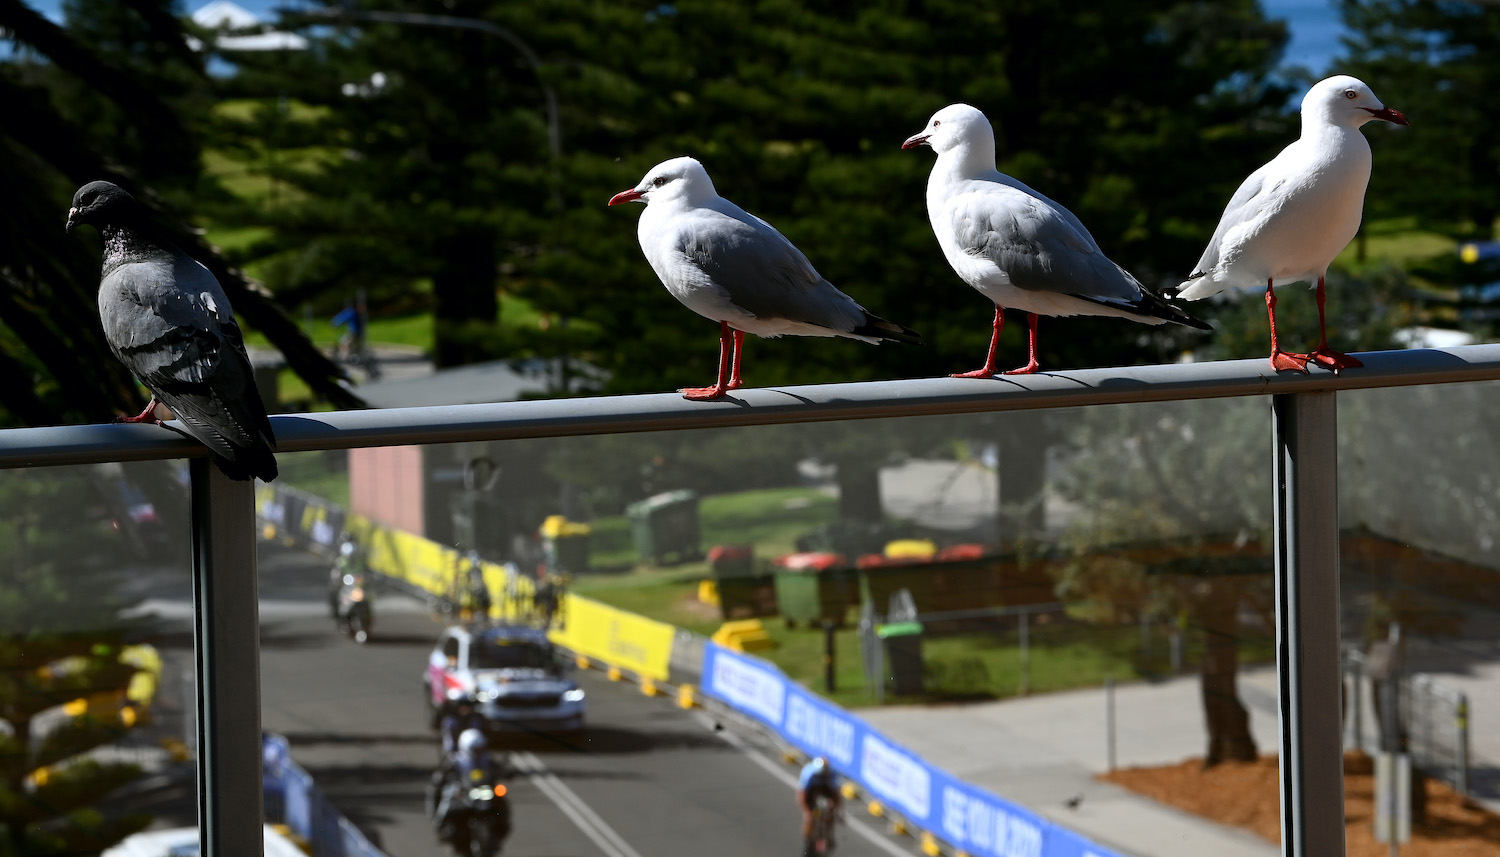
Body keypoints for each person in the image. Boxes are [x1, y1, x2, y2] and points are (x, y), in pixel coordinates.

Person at [796, 756, 841, 853]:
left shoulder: (832, 773)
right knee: (809, 817)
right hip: (811, 791)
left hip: (826, 790)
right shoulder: (808, 773)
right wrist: (807, 812)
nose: (822, 776)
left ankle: (829, 833)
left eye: (824, 775)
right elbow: (802, 795)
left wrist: (836, 810)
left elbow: (836, 795)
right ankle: (807, 839)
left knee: (831, 812)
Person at [440, 690, 485, 756]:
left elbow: (478, 739)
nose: (465, 708)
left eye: (468, 705)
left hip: (475, 754)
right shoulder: (450, 721)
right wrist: (452, 754)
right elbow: (449, 742)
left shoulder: (475, 720)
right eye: (462, 705)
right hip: (457, 755)